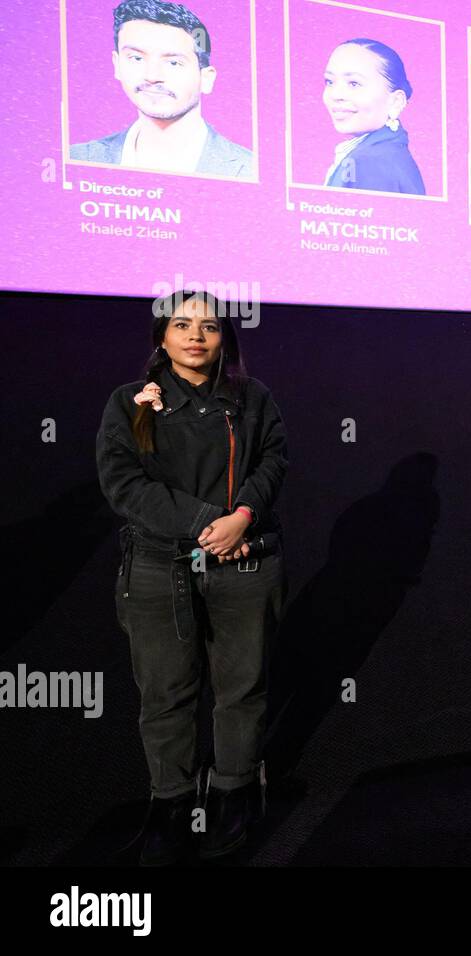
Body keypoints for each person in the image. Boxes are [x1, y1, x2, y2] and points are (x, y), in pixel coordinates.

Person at [95, 291, 288, 865]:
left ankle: (233, 794)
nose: (196, 335)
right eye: (182, 324)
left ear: (225, 337)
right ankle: (171, 806)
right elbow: (125, 484)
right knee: (166, 695)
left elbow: (273, 459)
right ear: (162, 337)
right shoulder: (129, 401)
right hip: (160, 567)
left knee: (241, 689)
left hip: (244, 561)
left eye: (208, 325)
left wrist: (243, 516)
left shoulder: (253, 397)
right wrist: (210, 524)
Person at [70, 0, 254, 179]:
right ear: (117, 64)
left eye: (173, 63)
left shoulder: (249, 170)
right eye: (136, 58)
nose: (152, 76)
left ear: (206, 78)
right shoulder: (79, 159)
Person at [321, 38, 425, 195]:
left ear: (396, 102)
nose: (336, 95)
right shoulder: (383, 153)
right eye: (330, 82)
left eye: (354, 83)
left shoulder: (370, 162)